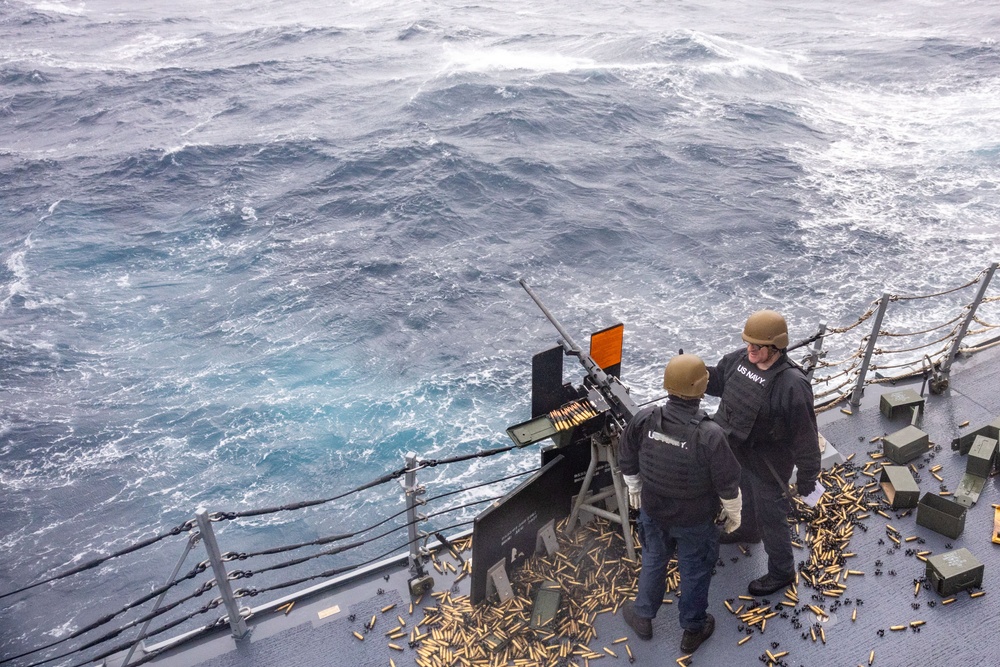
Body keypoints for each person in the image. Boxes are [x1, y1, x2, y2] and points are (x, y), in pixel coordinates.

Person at [619, 353, 742, 654]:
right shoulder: (709, 434)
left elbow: (627, 452)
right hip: (695, 520)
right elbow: (727, 480)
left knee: (653, 560)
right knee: (695, 571)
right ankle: (692, 629)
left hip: (654, 511)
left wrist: (634, 485)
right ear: (701, 390)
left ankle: (643, 615)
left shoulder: (645, 418)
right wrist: (734, 512)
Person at [706, 309, 821, 597]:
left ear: (776, 346)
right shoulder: (740, 360)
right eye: (748, 343)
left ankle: (782, 571)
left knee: (772, 517)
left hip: (769, 463)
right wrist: (696, 373)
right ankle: (747, 530)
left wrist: (808, 478)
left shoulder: (792, 384)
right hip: (738, 451)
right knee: (743, 496)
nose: (750, 349)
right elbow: (719, 382)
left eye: (757, 346)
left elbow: (805, 436)